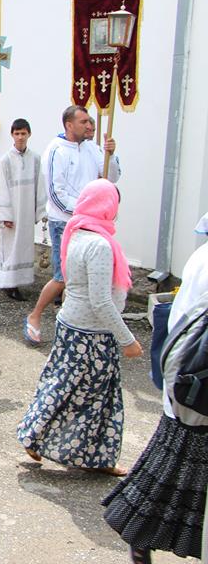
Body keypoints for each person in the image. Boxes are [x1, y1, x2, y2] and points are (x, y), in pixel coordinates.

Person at [101, 212, 208, 564]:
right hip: (193, 386)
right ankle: (137, 533)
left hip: (185, 381)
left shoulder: (199, 259)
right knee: (174, 472)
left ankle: (139, 535)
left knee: (175, 471)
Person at [17, 179, 142, 473]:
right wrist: (126, 339)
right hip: (90, 334)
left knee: (94, 395)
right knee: (73, 390)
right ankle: (33, 436)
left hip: (78, 327)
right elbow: (100, 301)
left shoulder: (79, 233)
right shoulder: (98, 244)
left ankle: (97, 457)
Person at [25, 105, 121, 345]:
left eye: (90, 122)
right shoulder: (55, 151)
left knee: (85, 277)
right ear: (69, 125)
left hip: (91, 223)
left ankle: (72, 322)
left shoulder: (92, 148)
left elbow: (111, 177)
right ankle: (34, 316)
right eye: (84, 122)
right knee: (62, 276)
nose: (90, 126)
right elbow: (56, 194)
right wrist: (84, 211)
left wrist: (112, 154)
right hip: (64, 223)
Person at [0, 119, 47, 301]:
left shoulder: (35, 159)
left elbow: (40, 185)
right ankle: (9, 283)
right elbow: (2, 187)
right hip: (13, 212)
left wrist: (40, 210)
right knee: (10, 246)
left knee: (23, 245)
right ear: (12, 135)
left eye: (23, 133)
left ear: (29, 134)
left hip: (26, 211)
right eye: (17, 134)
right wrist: (5, 215)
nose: (20, 137)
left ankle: (18, 279)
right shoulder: (5, 160)